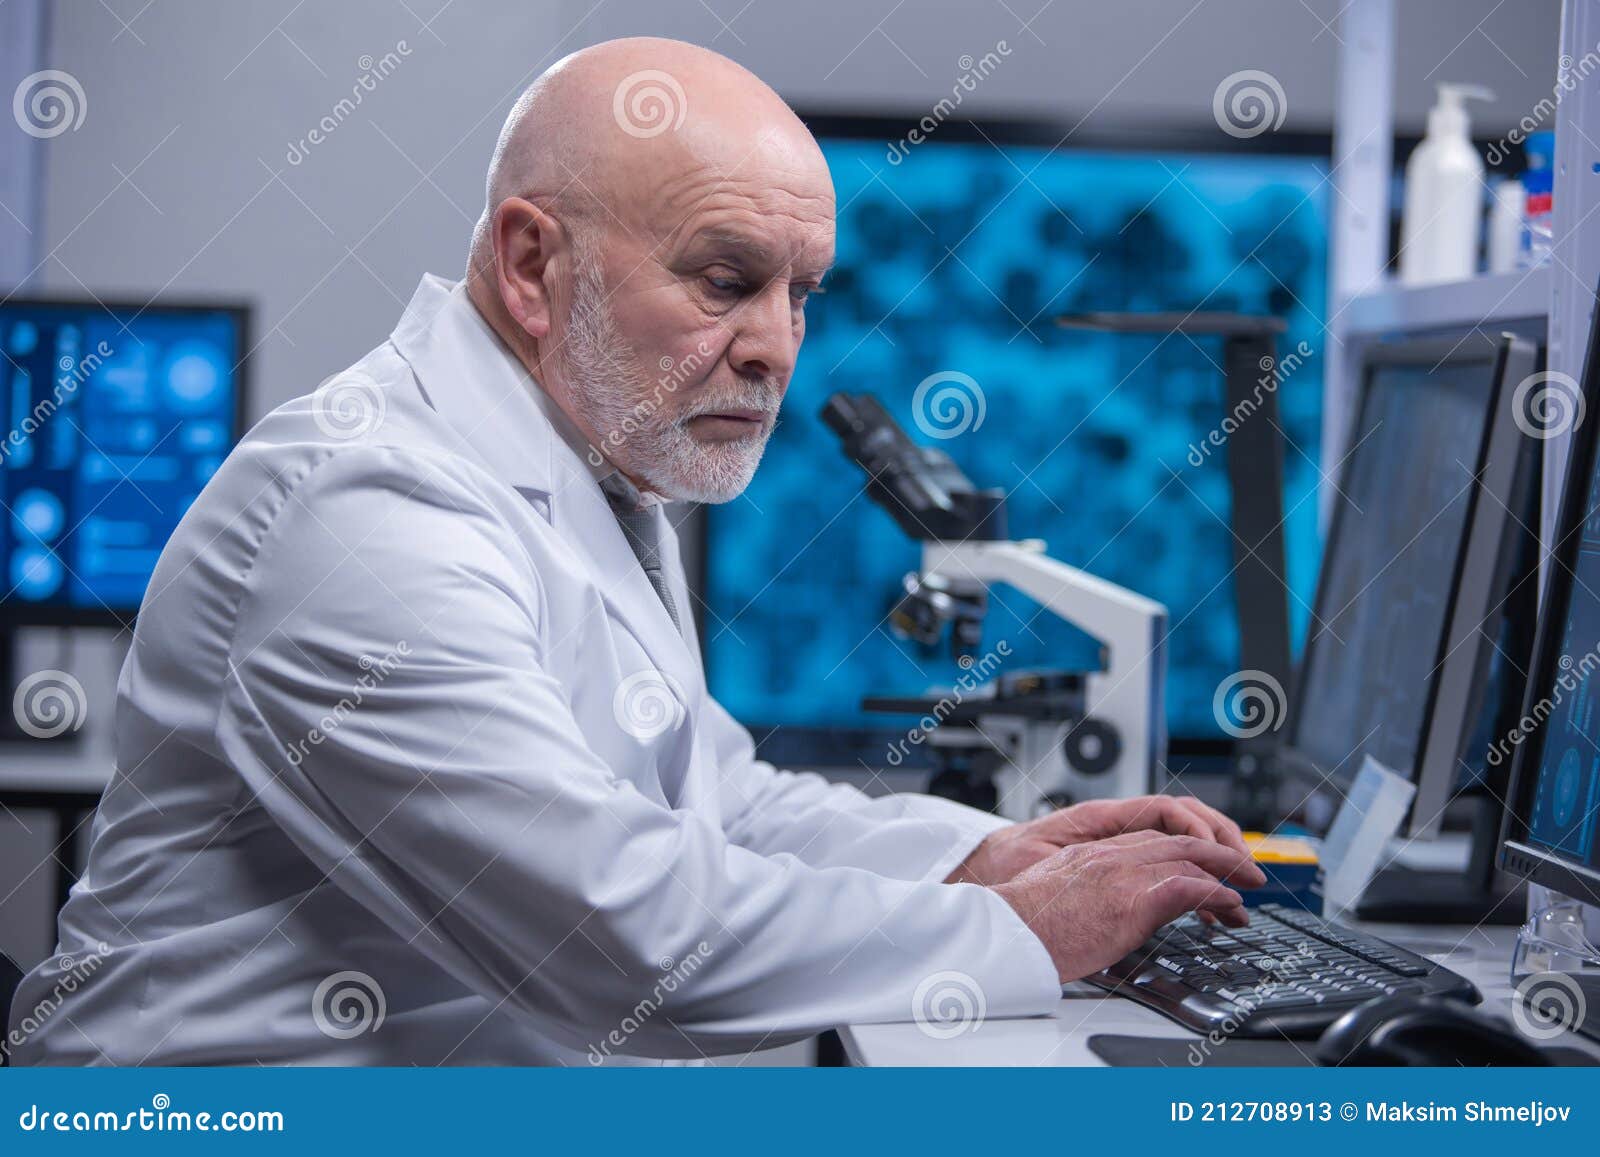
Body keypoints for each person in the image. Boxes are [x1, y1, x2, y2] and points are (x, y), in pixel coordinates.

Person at [8, 36, 1261, 1066]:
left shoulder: (591, 472)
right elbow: (621, 934)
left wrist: (974, 852)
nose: (777, 343)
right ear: (530, 263)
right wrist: (1017, 929)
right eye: (725, 280)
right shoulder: (364, 510)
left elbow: (714, 797)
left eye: (800, 290)